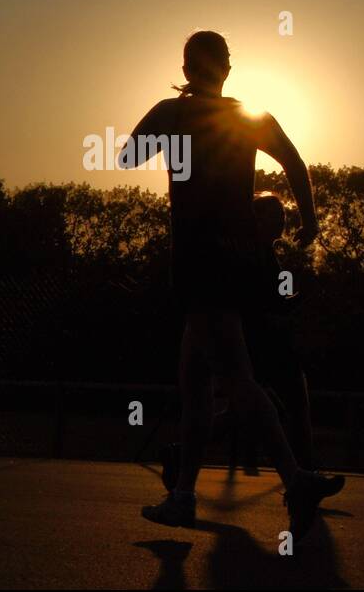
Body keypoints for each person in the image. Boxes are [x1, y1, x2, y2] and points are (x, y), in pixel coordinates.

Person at [123, 30, 342, 538]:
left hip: (200, 261)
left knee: (237, 377)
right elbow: (294, 161)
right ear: (227, 67)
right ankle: (182, 495)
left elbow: (129, 156)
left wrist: (169, 124)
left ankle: (294, 477)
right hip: (238, 263)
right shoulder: (250, 117)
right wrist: (308, 223)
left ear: (185, 68)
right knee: (195, 380)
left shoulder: (173, 113)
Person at [158, 192, 318, 490]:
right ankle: (304, 475)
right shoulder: (246, 255)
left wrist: (297, 299)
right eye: (274, 215)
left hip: (265, 343)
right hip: (253, 344)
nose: (281, 221)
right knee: (284, 402)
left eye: (282, 216)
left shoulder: (268, 256)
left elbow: (277, 303)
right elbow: (256, 305)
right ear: (254, 219)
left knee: (245, 412)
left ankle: (181, 454)